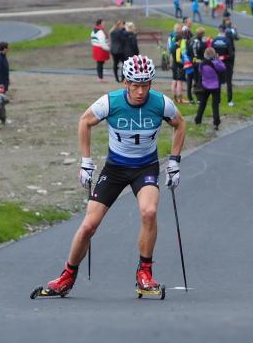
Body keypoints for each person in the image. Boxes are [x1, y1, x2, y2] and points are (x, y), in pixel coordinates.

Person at [40, 56, 187, 298]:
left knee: (149, 212)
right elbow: (84, 121)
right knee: (88, 225)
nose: (140, 91)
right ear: (125, 82)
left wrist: (174, 161)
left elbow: (180, 124)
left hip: (145, 167)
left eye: (146, 85)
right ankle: (67, 276)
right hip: (115, 168)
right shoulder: (110, 102)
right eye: (135, 85)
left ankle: (145, 274)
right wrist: (86, 162)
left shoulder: (162, 103)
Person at [193, 47, 226, 131]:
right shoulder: (215, 63)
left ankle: (198, 120)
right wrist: (217, 59)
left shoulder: (202, 64)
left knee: (202, 104)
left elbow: (200, 72)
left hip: (205, 86)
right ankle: (216, 123)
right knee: (215, 105)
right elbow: (223, 68)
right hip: (215, 86)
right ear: (214, 54)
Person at [213, 23, 237, 107]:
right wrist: (224, 57)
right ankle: (229, 101)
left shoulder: (214, 40)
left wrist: (217, 58)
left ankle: (218, 101)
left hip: (217, 64)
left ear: (218, 30)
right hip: (226, 64)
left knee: (218, 83)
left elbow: (212, 53)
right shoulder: (227, 41)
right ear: (225, 31)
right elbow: (231, 54)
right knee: (229, 82)